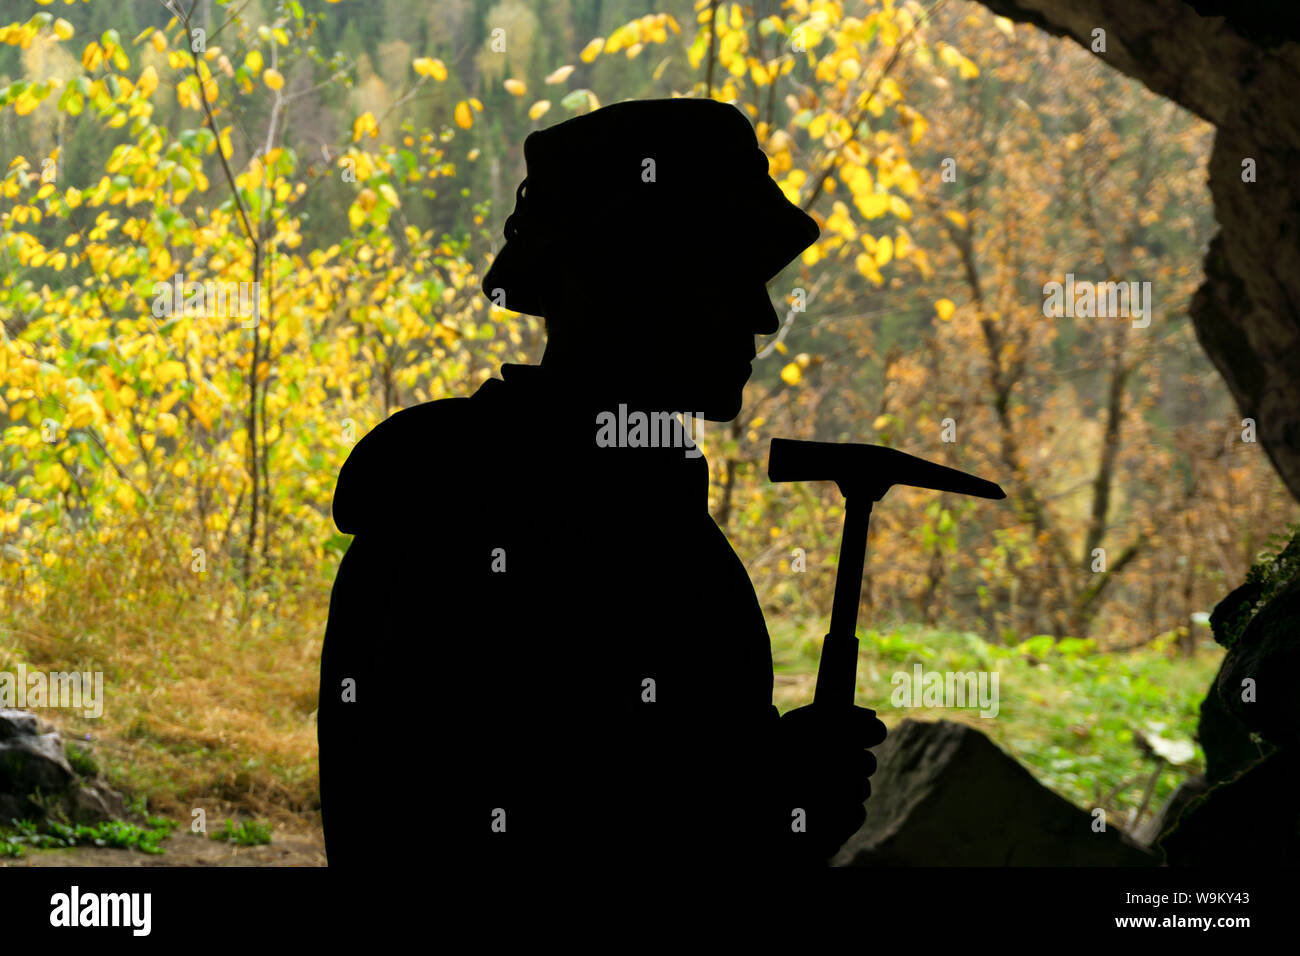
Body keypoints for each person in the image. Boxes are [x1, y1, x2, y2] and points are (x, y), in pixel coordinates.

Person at [318, 98, 886, 870]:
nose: (762, 317)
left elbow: (618, 773)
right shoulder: (487, 520)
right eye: (723, 275)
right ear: (623, 284)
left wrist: (762, 780)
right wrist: (763, 814)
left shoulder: (612, 500)